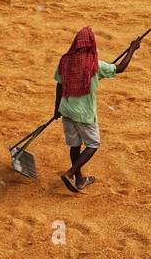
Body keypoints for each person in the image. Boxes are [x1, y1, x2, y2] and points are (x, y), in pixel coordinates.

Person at [53, 27, 141, 193]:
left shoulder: (64, 62)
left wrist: (57, 109)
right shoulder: (95, 65)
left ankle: (79, 180)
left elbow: (60, 84)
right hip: (84, 114)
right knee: (93, 144)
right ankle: (71, 173)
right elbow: (120, 68)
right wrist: (132, 49)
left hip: (66, 110)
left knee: (75, 145)